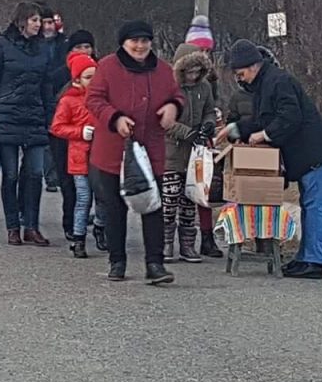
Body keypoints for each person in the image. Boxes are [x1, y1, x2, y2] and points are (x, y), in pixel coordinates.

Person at [216, 39, 322, 279]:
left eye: (240, 73)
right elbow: (264, 118)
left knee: (316, 206)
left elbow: (289, 117)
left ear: (253, 66)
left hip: (315, 152)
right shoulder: (267, 84)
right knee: (309, 206)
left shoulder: (279, 81)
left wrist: (264, 135)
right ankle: (306, 257)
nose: (239, 78)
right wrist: (235, 129)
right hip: (307, 155)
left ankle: (315, 261)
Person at [85, 20, 184, 284]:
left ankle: (155, 264)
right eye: (134, 41)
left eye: (144, 41)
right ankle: (117, 261)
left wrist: (173, 107)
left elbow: (177, 96)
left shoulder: (163, 70)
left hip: (150, 151)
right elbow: (93, 99)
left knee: (153, 207)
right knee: (115, 209)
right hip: (113, 152)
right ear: (123, 43)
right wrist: (115, 118)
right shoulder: (106, 67)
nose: (140, 46)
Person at [0, 1, 54, 247]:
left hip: (34, 117)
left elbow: (46, 86)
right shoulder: (2, 45)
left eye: (40, 21)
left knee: (34, 174)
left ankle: (31, 225)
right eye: (34, 20)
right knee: (10, 175)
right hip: (6, 115)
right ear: (22, 21)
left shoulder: (43, 49)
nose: (38, 25)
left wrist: (51, 117)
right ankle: (13, 225)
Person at [48, 29, 107, 248]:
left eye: (87, 46)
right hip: (75, 153)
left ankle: (100, 229)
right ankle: (76, 233)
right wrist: (79, 133)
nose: (84, 51)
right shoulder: (66, 95)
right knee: (80, 195)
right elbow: (57, 126)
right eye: (79, 47)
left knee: (102, 196)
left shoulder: (102, 91)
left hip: (99, 153)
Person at [162, 43, 217, 263]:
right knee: (169, 200)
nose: (194, 75)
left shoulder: (204, 88)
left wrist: (208, 125)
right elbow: (164, 120)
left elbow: (210, 111)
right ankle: (165, 243)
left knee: (189, 200)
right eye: (189, 71)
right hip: (172, 151)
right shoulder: (169, 89)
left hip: (195, 154)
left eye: (197, 71)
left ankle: (187, 244)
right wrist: (187, 132)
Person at [39, 5, 68, 192]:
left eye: (50, 23)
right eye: (44, 23)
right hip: (40, 94)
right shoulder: (34, 45)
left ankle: (55, 174)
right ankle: (50, 175)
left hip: (60, 93)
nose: (48, 27)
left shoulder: (63, 44)